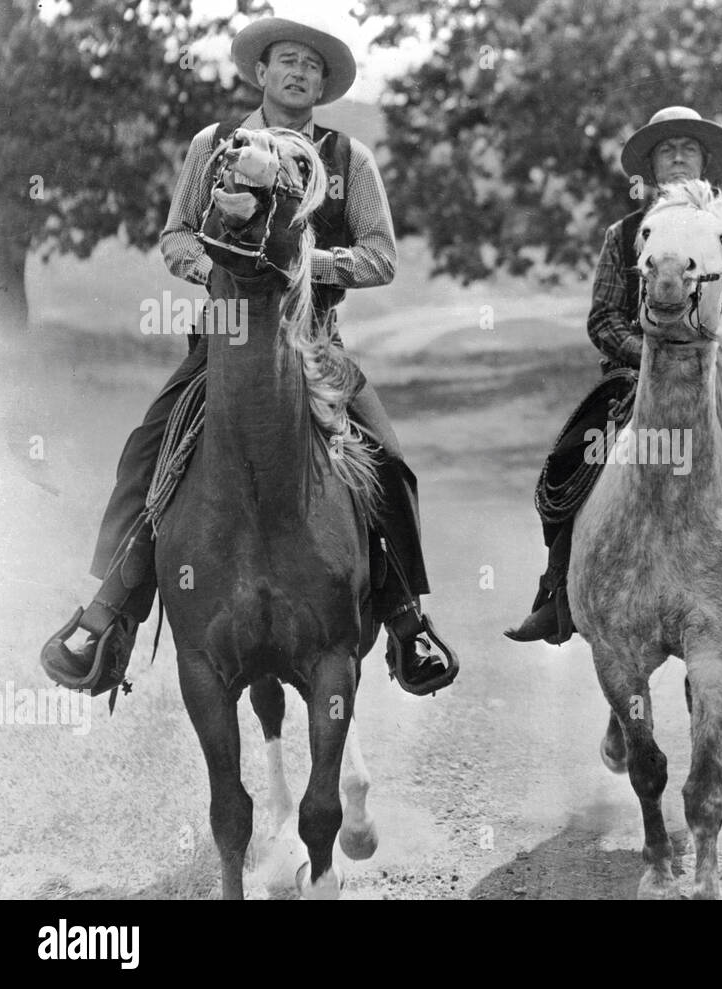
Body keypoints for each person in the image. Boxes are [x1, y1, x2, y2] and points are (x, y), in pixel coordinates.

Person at [42, 16, 455, 698]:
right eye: (286, 61)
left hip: (317, 345)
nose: (299, 73)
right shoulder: (214, 146)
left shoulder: (350, 161)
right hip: (226, 339)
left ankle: (408, 618)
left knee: (391, 460)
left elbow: (381, 255)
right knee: (146, 449)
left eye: (312, 66)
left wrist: (301, 262)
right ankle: (107, 612)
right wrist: (218, 272)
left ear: (324, 84)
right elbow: (177, 235)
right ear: (260, 73)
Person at [505, 106, 722, 669]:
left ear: (704, 164)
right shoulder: (625, 236)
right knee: (570, 462)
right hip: (635, 379)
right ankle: (556, 589)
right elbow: (602, 319)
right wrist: (651, 356)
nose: (676, 157)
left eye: (687, 149)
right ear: (648, 167)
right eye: (665, 150)